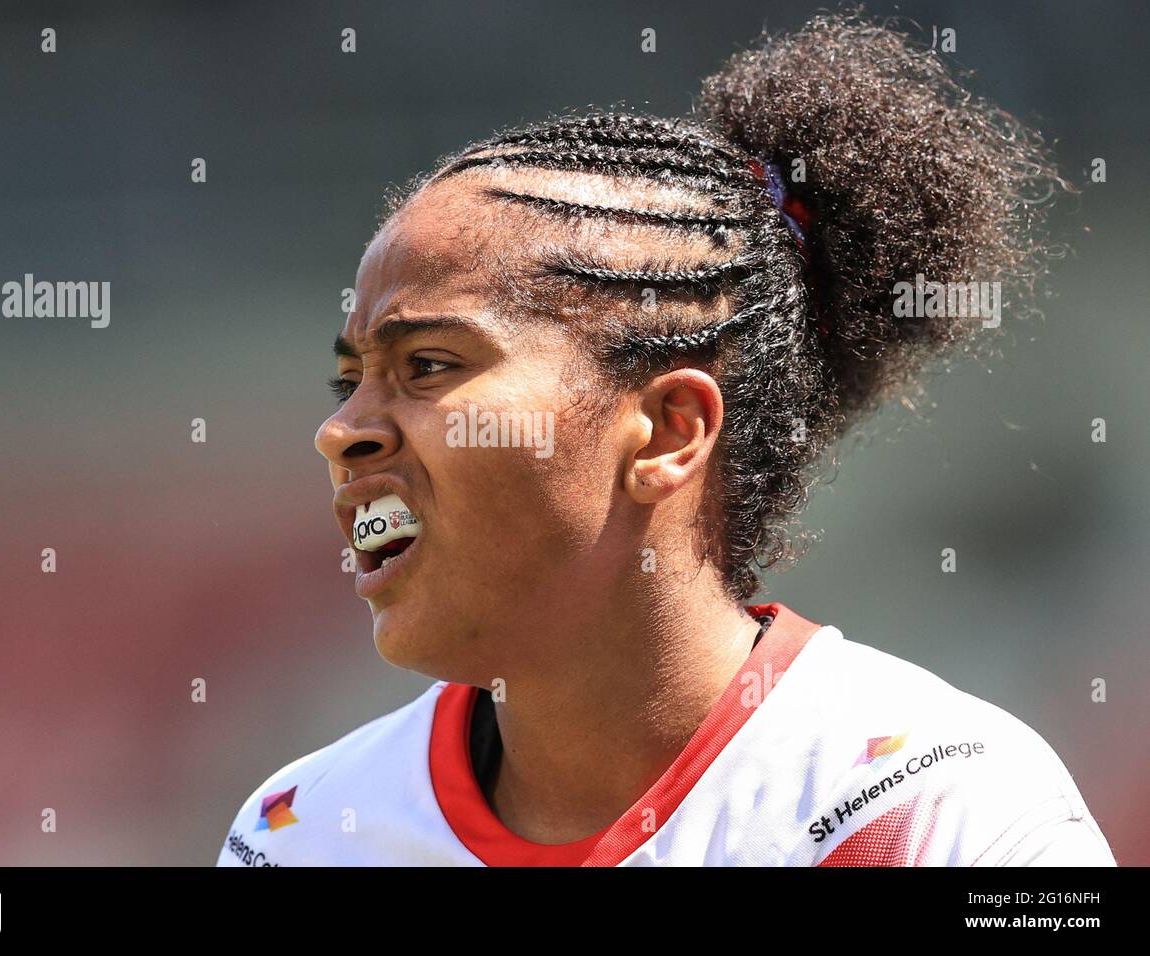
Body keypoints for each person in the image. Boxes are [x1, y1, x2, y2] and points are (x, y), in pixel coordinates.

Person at [217, 12, 1116, 866]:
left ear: (667, 432)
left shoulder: (939, 808)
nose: (341, 433)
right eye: (349, 383)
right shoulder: (299, 832)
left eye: (428, 365)